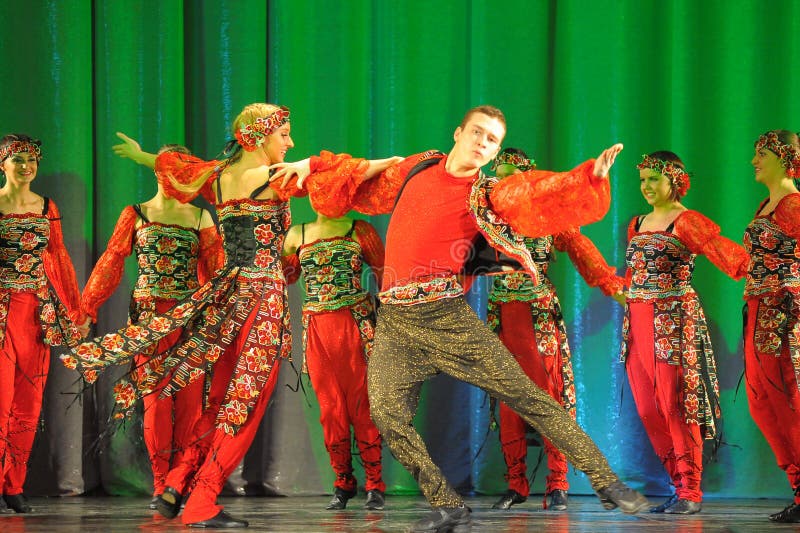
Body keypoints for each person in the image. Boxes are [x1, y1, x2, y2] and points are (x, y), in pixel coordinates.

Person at [271, 105, 650, 533]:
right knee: (387, 414)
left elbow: (532, 190)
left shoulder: (487, 193)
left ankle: (607, 481)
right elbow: (366, 172)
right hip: (396, 319)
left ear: (494, 153)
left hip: (446, 316)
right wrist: (312, 163)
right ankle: (447, 505)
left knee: (530, 396)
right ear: (458, 133)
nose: (483, 143)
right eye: (477, 132)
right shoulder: (420, 168)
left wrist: (588, 176)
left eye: (492, 140)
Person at [62, 103, 401, 528]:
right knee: (247, 399)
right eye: (284, 135)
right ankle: (202, 502)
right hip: (260, 298)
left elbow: (175, 167)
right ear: (259, 137)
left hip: (228, 293)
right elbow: (343, 173)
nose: (291, 143)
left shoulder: (217, 177)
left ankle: (177, 482)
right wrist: (389, 163)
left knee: (220, 396)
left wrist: (144, 156)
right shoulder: (276, 179)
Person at [80, 142, 223, 509]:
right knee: (157, 403)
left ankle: (182, 482)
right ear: (158, 170)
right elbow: (111, 261)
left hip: (189, 318)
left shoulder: (199, 217)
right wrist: (88, 307)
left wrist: (220, 315)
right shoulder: (137, 213)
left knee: (192, 404)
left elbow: (215, 271)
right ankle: (161, 484)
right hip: (149, 319)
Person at [486, 148, 625, 512]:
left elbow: (583, 251)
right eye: (500, 175)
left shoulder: (549, 218)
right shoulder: (487, 221)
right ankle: (516, 483)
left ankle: (558, 482)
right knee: (508, 400)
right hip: (502, 316)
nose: (505, 182)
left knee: (550, 396)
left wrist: (612, 287)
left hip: (538, 314)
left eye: (514, 175)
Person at [619, 151, 748, 515]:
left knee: (676, 404)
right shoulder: (637, 222)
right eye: (642, 179)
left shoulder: (686, 221)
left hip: (672, 320)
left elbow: (727, 255)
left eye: (653, 179)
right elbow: (631, 277)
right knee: (647, 408)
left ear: (673, 180)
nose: (645, 186)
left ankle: (691, 490)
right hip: (637, 323)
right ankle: (677, 485)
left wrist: (765, 269)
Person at [0, 134, 89, 514]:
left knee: (27, 403)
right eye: (17, 159)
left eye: (31, 160)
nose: (25, 166)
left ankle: (13, 485)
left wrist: (76, 309)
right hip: (2, 311)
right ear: (2, 163)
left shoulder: (46, 206)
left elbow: (59, 258)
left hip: (37, 314)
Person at [282, 211, 386, 510]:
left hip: (356, 326)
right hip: (317, 330)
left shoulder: (358, 229)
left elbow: (384, 274)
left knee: (363, 407)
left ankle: (375, 485)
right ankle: (343, 482)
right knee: (330, 412)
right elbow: (288, 276)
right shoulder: (297, 233)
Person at [742, 130, 800, 523]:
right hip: (758, 308)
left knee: (788, 397)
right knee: (763, 402)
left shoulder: (793, 204)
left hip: (783, 313)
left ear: (783, 158)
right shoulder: (768, 204)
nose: (753, 161)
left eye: (761, 153)